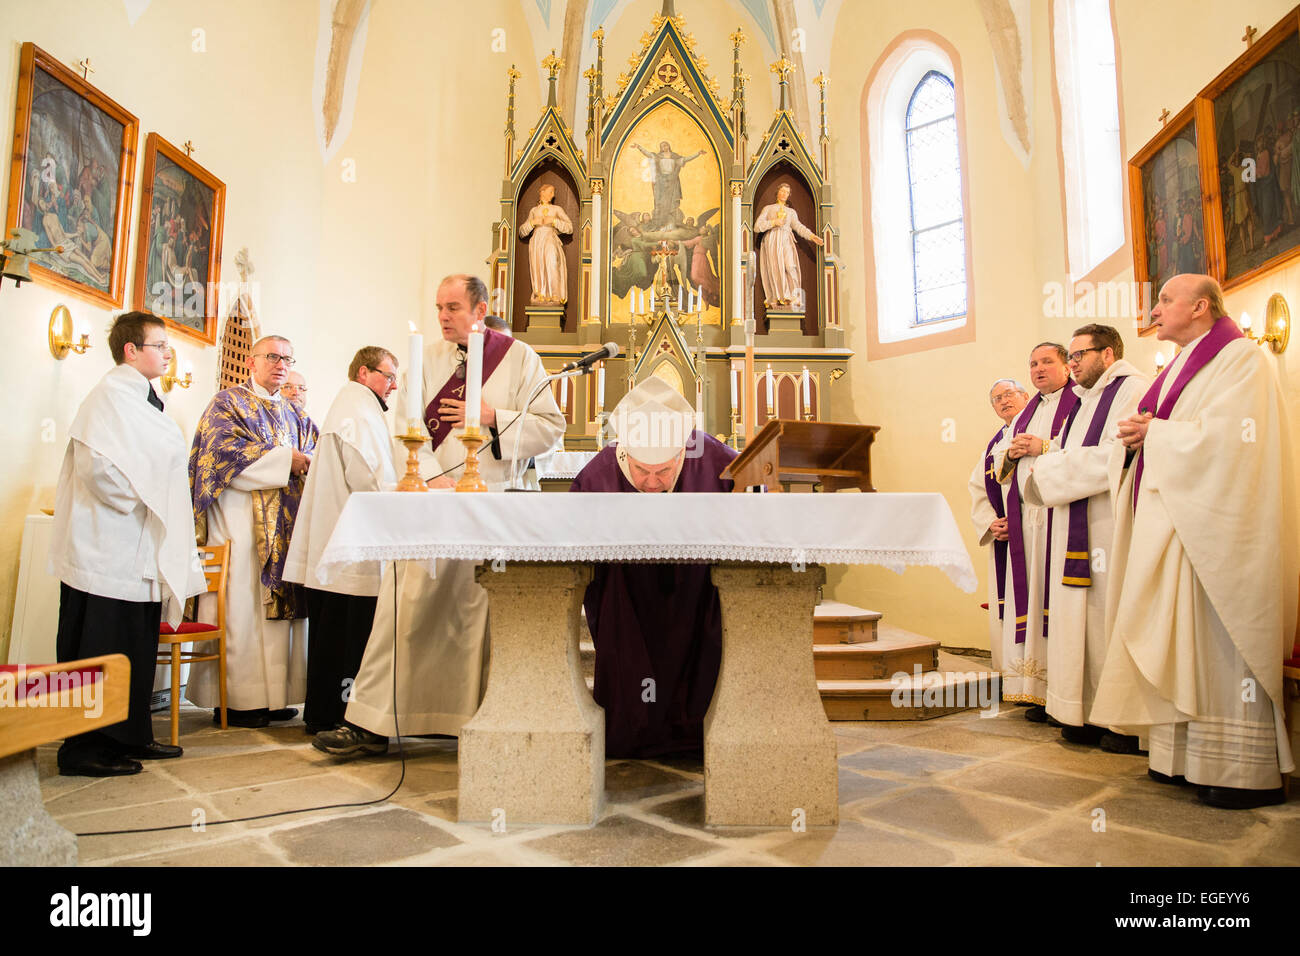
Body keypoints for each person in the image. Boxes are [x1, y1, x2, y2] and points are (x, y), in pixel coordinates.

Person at [314, 274, 564, 756]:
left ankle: (470, 719)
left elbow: (551, 428)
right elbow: (407, 428)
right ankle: (373, 722)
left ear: (480, 308)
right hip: (431, 501)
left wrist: (494, 418)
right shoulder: (424, 359)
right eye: (439, 308)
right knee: (404, 608)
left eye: (453, 307)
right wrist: (429, 476)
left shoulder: (520, 359)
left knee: (474, 614)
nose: (444, 317)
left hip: (490, 502)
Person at [1092, 274, 1298, 809]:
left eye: (1164, 300)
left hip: (1215, 531)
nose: (1155, 310)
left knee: (1215, 637)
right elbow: (1170, 431)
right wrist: (1141, 436)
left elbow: (1236, 441)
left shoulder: (1241, 359)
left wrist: (1154, 434)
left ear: (1201, 307)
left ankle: (1236, 770)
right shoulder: (1183, 363)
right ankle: (1178, 757)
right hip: (1174, 523)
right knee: (1179, 637)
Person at [50, 312, 205, 775]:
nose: (167, 353)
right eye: (158, 345)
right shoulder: (108, 398)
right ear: (130, 350)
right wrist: (149, 502)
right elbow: (98, 469)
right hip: (107, 547)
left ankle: (131, 735)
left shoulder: (144, 400)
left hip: (138, 550)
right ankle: (83, 749)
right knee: (98, 650)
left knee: (132, 649)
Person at [569, 377, 738, 758]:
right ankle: (632, 734)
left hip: (695, 594)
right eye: (642, 470)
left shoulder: (714, 460)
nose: (651, 483)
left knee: (698, 657)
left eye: (662, 472)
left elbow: (753, 498)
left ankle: (692, 735)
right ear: (624, 452)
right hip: (627, 597)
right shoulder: (598, 473)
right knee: (630, 657)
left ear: (682, 452)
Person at [1021, 325, 1148, 749]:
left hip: (1107, 523)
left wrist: (1051, 470)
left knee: (1107, 615)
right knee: (1078, 616)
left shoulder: (1133, 389)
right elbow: (1069, 450)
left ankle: (1121, 721)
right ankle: (1082, 710)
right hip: (1075, 519)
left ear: (1108, 354)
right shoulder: (1084, 400)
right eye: (1070, 357)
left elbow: (1119, 453)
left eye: (1079, 355)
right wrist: (1055, 461)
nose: (1071, 364)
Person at [187, 334, 319, 728]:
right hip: (240, 525)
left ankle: (273, 696)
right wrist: (287, 460)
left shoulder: (295, 413)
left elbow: (317, 450)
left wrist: (305, 461)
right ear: (252, 361)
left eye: (287, 358)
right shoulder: (227, 403)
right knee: (243, 610)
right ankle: (235, 700)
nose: (281, 364)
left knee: (279, 618)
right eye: (273, 357)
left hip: (284, 528)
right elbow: (221, 455)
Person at [284, 347, 399, 734]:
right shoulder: (357, 409)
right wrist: (408, 490)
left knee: (330, 632)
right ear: (365, 373)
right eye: (388, 375)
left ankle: (322, 712)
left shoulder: (352, 405)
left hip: (339, 542)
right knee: (349, 634)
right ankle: (344, 716)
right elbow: (367, 476)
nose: (393, 385)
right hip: (352, 545)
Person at [994, 343, 1078, 720]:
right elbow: (999, 461)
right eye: (1033, 363)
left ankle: (1060, 691)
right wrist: (1012, 453)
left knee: (1055, 602)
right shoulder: (1027, 411)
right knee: (1030, 600)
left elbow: (1085, 448)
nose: (1039, 369)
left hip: (1060, 518)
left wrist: (1043, 446)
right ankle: (1032, 689)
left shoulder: (1079, 401)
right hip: (1028, 523)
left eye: (1047, 362)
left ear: (1066, 365)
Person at [967, 379, 1029, 672]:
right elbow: (978, 489)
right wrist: (991, 524)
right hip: (1005, 537)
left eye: (1009, 394)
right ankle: (1012, 673)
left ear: (1025, 396)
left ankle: (1034, 675)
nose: (1004, 401)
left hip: (1033, 533)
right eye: (996, 399)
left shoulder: (1035, 430)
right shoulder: (993, 446)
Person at [753, 183, 823, 309]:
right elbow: (757, 227)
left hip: (786, 239)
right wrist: (774, 222)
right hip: (773, 239)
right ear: (777, 192)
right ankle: (780, 297)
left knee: (791, 266)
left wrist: (812, 236)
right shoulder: (768, 208)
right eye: (782, 191)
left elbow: (798, 227)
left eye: (787, 192)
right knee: (776, 268)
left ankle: (793, 297)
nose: (784, 194)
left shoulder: (791, 212)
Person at [518, 183, 573, 304]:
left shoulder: (556, 209)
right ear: (542, 192)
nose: (552, 195)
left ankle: (555, 294)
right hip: (537, 241)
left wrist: (554, 221)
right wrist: (533, 223)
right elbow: (522, 232)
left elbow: (570, 227)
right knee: (539, 267)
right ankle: (541, 294)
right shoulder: (534, 211)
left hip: (551, 239)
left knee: (552, 262)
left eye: (553, 193)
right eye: (550, 192)